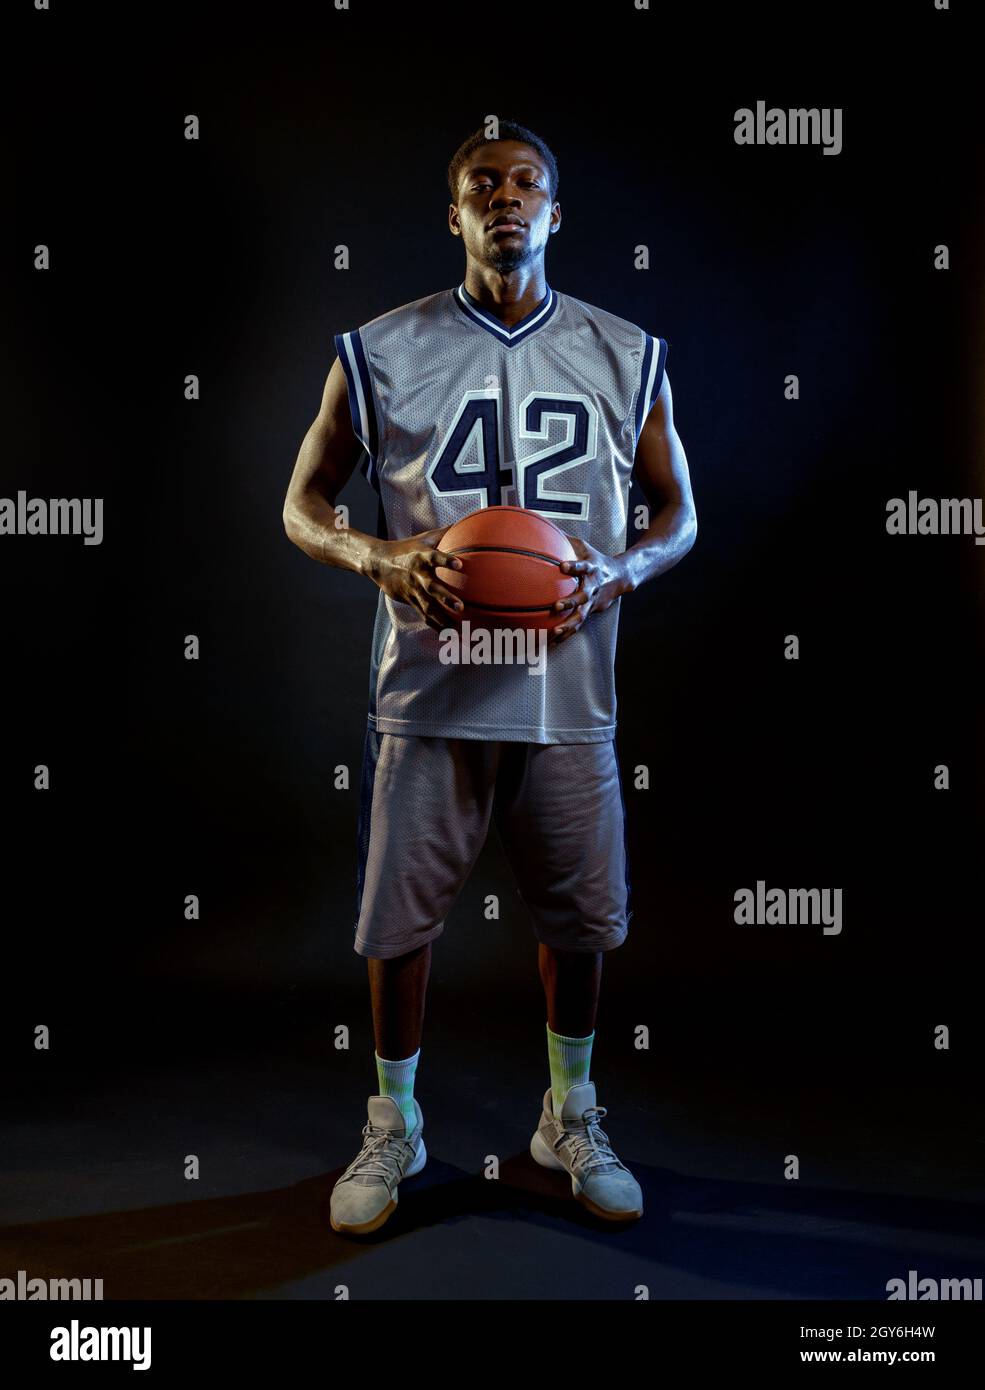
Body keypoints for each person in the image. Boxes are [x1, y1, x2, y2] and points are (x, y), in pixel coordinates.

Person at [282, 120, 697, 1236]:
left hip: (567, 688)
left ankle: (569, 1111)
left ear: (555, 213)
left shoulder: (625, 349)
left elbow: (680, 512)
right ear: (453, 213)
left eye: (526, 184)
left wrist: (621, 567)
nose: (504, 199)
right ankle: (396, 1119)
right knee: (397, 924)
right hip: (432, 685)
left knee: (579, 921)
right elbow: (303, 502)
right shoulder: (380, 348)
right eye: (482, 185)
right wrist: (380, 556)